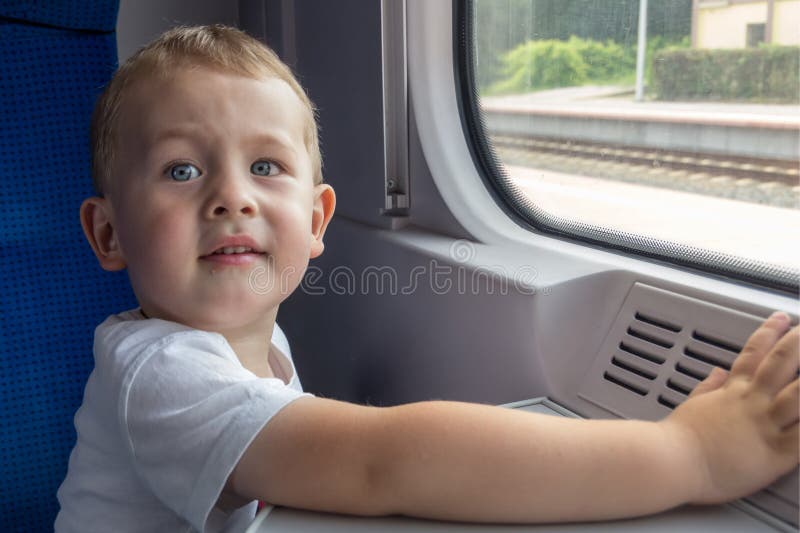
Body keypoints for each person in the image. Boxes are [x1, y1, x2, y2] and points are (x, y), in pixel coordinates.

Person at [55, 24, 799, 533]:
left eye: (265, 166)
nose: (232, 195)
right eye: (182, 169)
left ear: (316, 222)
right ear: (109, 233)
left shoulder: (257, 338)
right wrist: (686, 455)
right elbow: (382, 461)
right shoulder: (158, 372)